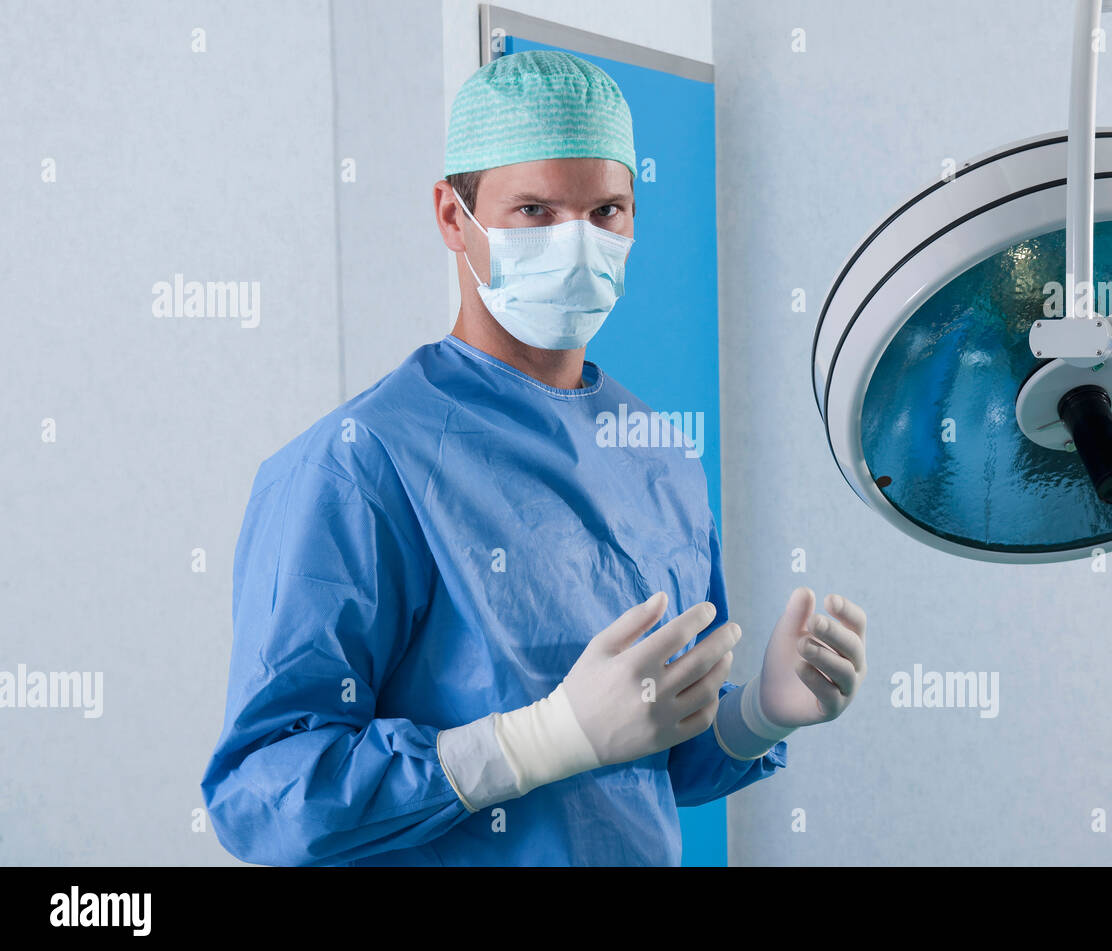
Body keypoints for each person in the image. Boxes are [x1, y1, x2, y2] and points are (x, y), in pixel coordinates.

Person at [200, 49, 867, 867]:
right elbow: (264, 797)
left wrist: (755, 714)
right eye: (535, 213)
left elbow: (644, 762)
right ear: (453, 217)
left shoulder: (655, 451)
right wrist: (540, 740)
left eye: (606, 212)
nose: (577, 244)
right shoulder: (362, 464)